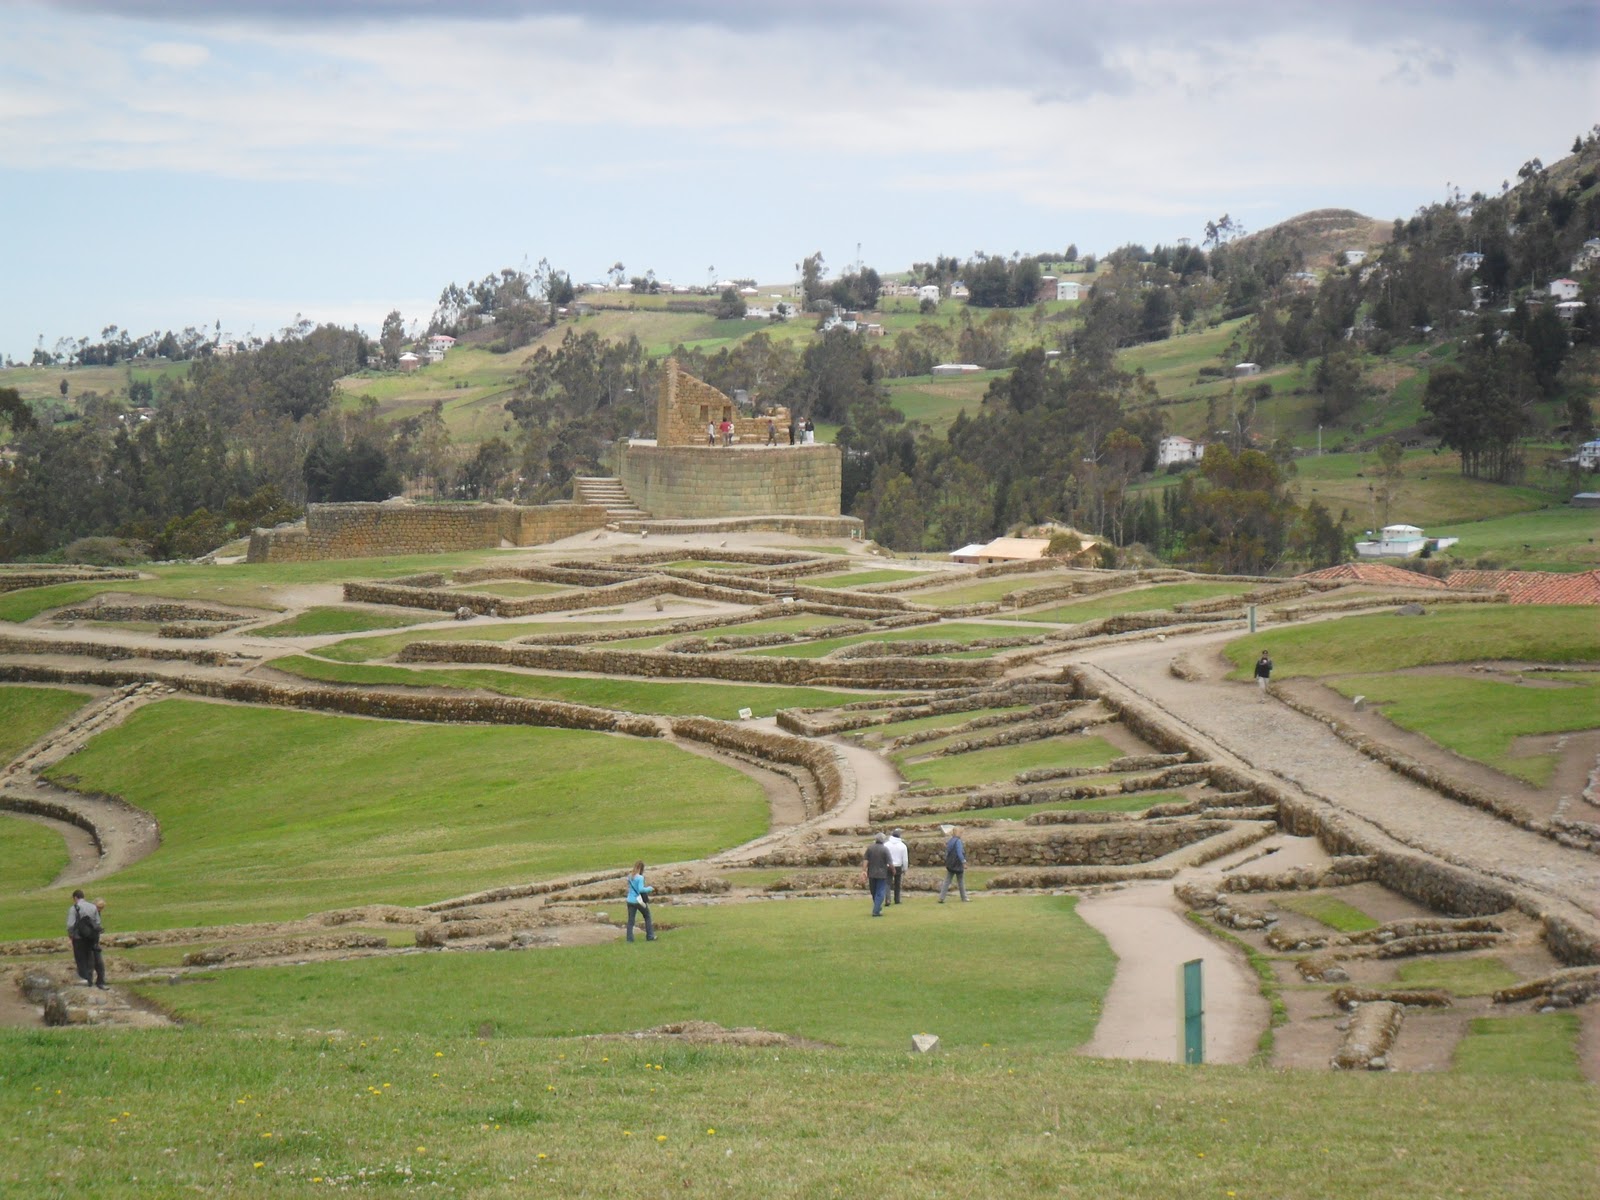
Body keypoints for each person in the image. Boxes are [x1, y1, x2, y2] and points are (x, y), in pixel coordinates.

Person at [66, 889, 105, 987]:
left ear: (75, 897)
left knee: (80, 958)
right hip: (90, 936)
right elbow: (98, 922)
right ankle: (93, 979)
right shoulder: (93, 907)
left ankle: (84, 978)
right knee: (90, 957)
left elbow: (70, 924)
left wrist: (71, 934)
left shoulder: (74, 908)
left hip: (78, 937)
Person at [625, 861, 656, 942]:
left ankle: (629, 939)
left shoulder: (630, 876)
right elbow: (641, 889)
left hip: (629, 900)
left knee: (631, 921)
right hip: (638, 901)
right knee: (647, 916)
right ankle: (650, 936)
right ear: (641, 868)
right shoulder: (640, 878)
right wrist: (649, 888)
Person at [862, 833, 892, 917]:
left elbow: (865, 860)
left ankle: (877, 908)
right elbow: (890, 863)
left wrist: (864, 870)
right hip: (882, 874)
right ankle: (876, 911)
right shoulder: (885, 849)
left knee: (874, 892)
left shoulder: (870, 848)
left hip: (871, 873)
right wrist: (893, 870)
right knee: (880, 892)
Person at [938, 826, 968, 903]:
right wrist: (963, 862)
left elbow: (947, 852)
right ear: (958, 833)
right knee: (960, 881)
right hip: (957, 864)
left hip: (950, 864)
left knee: (947, 881)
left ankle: (941, 897)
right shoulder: (958, 841)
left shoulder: (950, 841)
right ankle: (964, 897)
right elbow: (959, 853)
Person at [884, 827, 909, 905]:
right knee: (897, 884)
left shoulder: (886, 845)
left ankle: (888, 899)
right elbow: (905, 859)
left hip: (888, 865)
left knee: (887, 883)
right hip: (898, 866)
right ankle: (897, 899)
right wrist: (905, 868)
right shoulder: (902, 846)